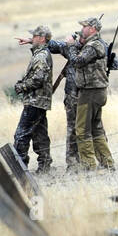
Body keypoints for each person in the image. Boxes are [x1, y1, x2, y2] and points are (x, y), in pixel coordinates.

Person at [68, 17, 115, 171]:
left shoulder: (93, 45)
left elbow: (77, 61)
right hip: (97, 91)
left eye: (85, 26)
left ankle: (89, 165)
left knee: (81, 130)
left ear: (93, 29)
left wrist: (72, 46)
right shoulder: (98, 44)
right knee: (96, 129)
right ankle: (107, 163)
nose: (82, 29)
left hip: (90, 92)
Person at [12, 24, 53, 173]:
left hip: (35, 101)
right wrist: (30, 41)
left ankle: (19, 169)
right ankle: (45, 166)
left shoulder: (41, 56)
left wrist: (21, 87)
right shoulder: (42, 52)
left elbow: (38, 79)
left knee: (21, 135)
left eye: (34, 36)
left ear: (41, 38)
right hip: (40, 101)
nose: (32, 38)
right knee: (39, 134)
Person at [45, 30, 82, 168]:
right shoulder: (72, 48)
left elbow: (116, 64)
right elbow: (54, 46)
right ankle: (73, 164)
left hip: (88, 95)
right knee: (72, 129)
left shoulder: (94, 48)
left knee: (93, 127)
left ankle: (99, 161)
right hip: (72, 95)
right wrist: (33, 40)